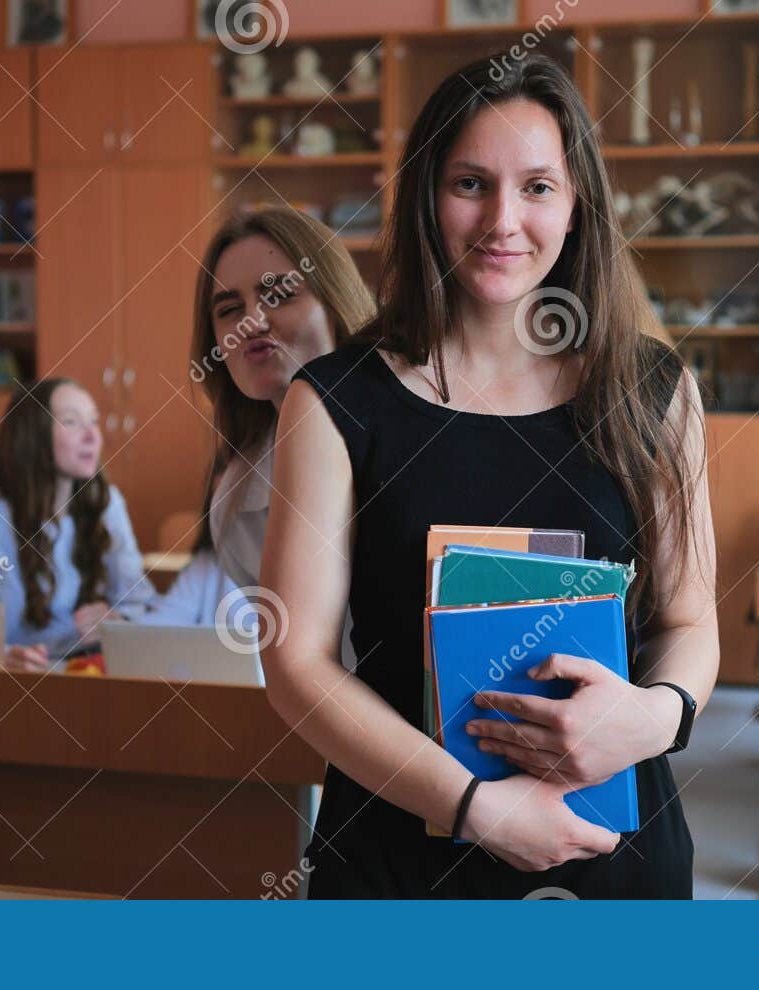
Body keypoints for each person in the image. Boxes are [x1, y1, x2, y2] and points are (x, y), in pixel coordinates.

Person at [258, 54, 718, 898]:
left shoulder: (654, 390)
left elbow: (691, 624)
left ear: (578, 202)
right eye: (471, 182)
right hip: (397, 864)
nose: (503, 220)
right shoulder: (334, 402)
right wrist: (474, 807)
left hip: (613, 855)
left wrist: (650, 719)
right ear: (428, 198)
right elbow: (295, 660)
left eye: (538, 187)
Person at [146, 207, 374, 633]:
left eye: (281, 295)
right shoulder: (237, 501)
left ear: (336, 303)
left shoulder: (421, 426)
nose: (251, 322)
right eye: (230, 309)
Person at [0, 378, 153, 670]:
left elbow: (142, 603)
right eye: (72, 422)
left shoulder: (107, 502)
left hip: (87, 675)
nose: (93, 436)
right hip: (14, 682)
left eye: (94, 421)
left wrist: (118, 620)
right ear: (32, 437)